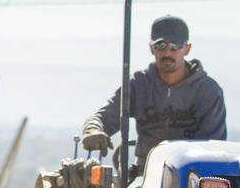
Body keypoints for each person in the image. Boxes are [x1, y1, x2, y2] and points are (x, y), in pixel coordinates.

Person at [81, 15, 226, 174]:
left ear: (187, 48)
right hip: (147, 174)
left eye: (174, 46)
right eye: (160, 46)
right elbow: (103, 117)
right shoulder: (139, 84)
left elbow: (214, 146)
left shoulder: (207, 90)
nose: (167, 53)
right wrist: (93, 131)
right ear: (151, 48)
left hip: (191, 176)